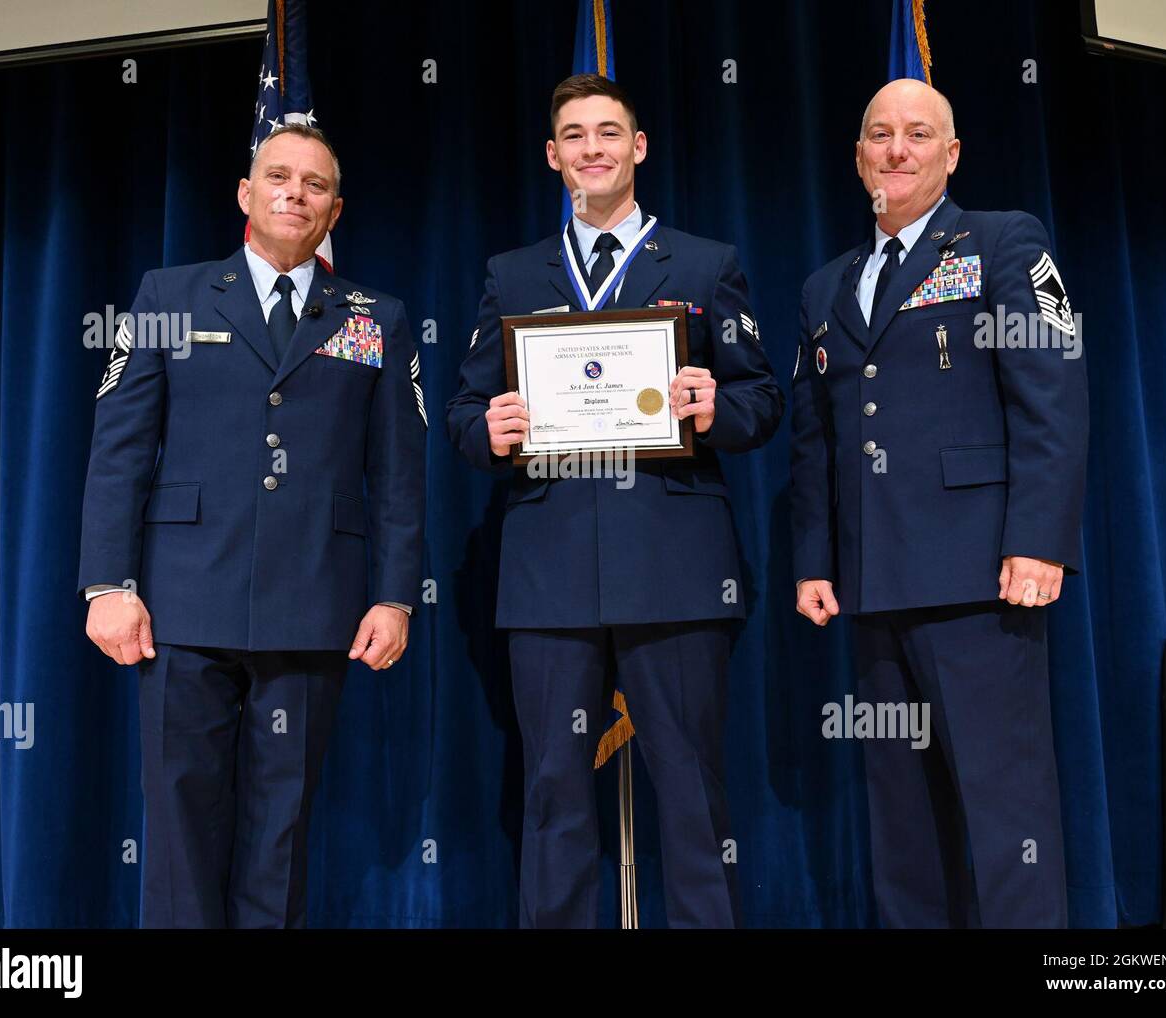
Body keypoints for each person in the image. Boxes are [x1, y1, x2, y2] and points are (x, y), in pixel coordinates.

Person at [447, 74, 783, 928]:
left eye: (609, 132)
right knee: (553, 792)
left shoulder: (707, 263)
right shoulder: (512, 273)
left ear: (638, 147)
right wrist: (492, 427)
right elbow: (460, 413)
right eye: (574, 135)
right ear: (553, 155)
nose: (592, 148)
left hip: (675, 566)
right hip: (548, 570)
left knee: (692, 791)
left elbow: (761, 402)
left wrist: (715, 411)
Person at [78, 124, 426, 928]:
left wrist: (396, 597)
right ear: (246, 193)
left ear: (334, 208)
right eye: (278, 176)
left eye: (313, 185)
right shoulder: (169, 296)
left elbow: (401, 475)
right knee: (178, 823)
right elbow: (118, 453)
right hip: (181, 605)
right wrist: (107, 583)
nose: (294, 193)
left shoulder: (376, 316)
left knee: (281, 830)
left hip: (315, 607)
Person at [789, 78, 1088, 928]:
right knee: (903, 823)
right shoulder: (825, 287)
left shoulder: (1002, 242)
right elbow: (816, 440)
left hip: (980, 575)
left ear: (951, 155)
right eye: (879, 134)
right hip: (872, 581)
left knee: (1006, 815)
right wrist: (814, 561)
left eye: (918, 135)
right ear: (856, 158)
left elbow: (1053, 401)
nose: (896, 149)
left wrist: (1038, 539)